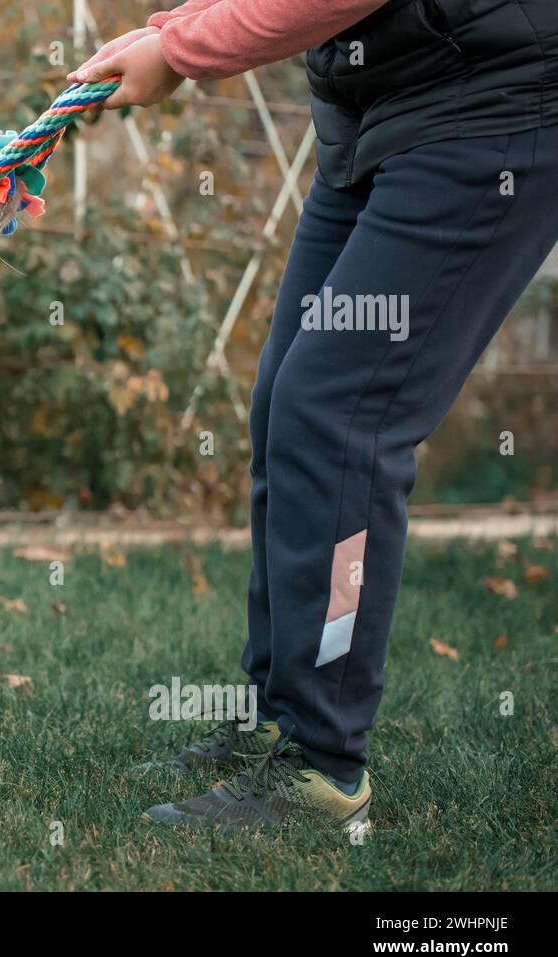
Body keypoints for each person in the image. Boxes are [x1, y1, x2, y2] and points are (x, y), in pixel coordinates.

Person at [70, 0, 558, 831]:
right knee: (286, 409)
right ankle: (275, 713)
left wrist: (183, 51)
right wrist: (174, 26)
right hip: (380, 107)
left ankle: (323, 767)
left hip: (488, 110)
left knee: (338, 417)